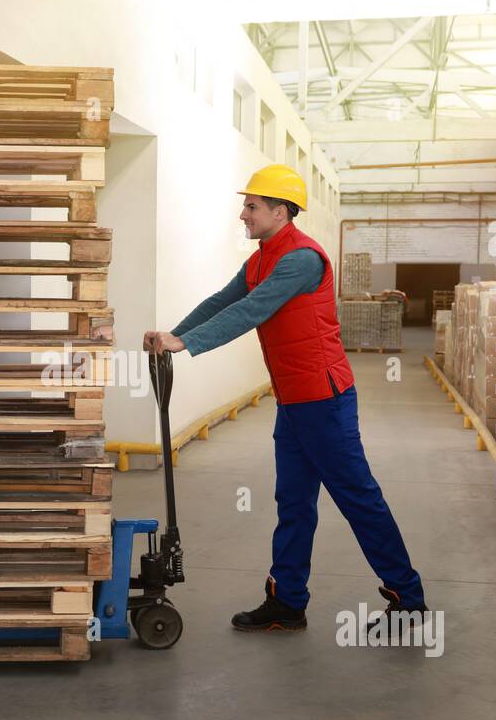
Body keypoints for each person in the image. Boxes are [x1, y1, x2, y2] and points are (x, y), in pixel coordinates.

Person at [142, 165, 427, 632]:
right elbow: (223, 301)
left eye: (252, 206)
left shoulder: (302, 259)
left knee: (358, 497)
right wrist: (173, 334)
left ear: (280, 211)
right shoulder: (261, 259)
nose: (243, 214)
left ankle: (408, 600)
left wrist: (186, 344)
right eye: (245, 205)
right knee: (293, 501)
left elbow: (252, 310)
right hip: (293, 402)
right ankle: (287, 601)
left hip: (324, 400)